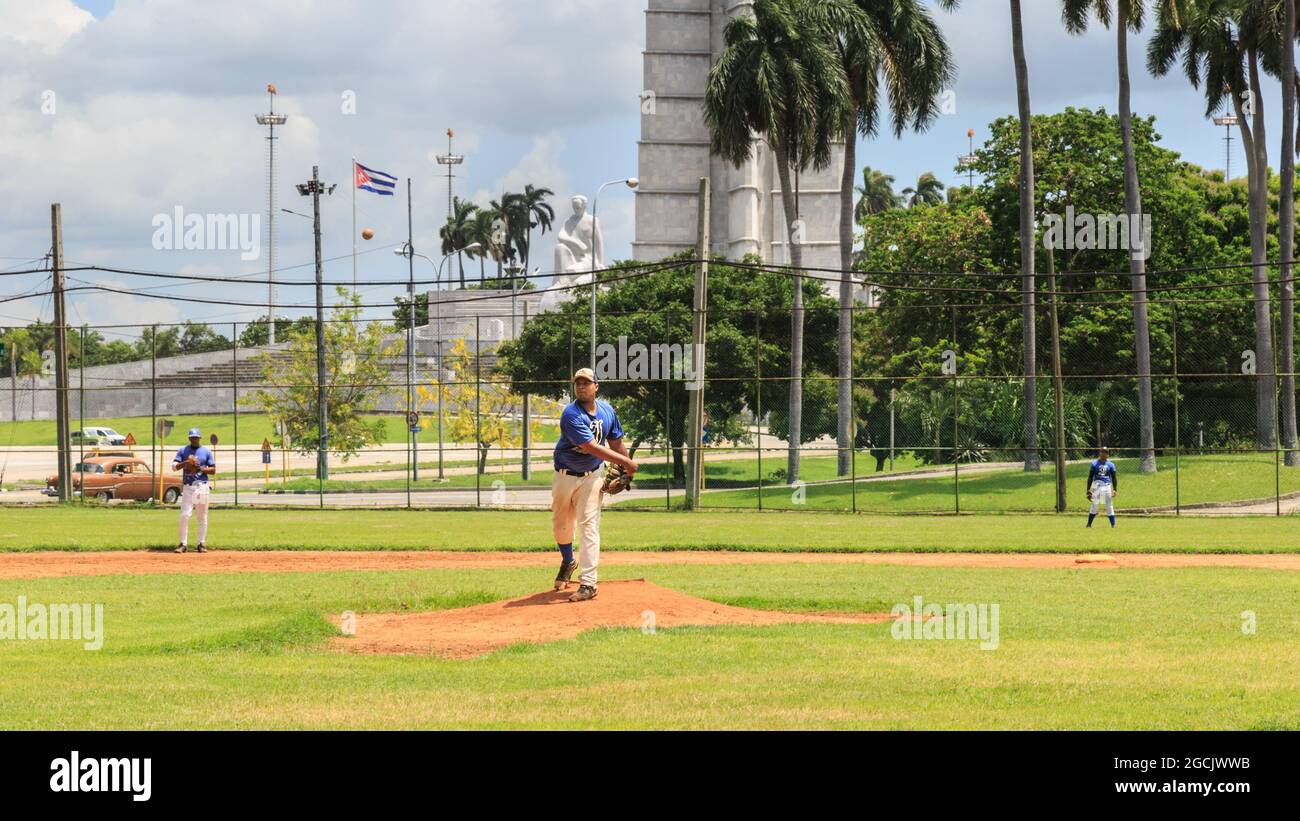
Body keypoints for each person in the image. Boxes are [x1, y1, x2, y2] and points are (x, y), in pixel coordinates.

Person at [551, 368, 637, 602]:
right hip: (564, 475)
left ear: (596, 386)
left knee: (589, 526)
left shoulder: (607, 411)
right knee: (561, 526)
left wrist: (626, 470)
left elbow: (616, 442)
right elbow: (591, 446)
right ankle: (568, 560)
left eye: (586, 383)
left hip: (592, 475)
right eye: (578, 383)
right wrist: (627, 462)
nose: (581, 387)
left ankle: (588, 583)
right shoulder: (571, 413)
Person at [173, 427, 215, 553]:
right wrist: (185, 463)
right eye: (192, 437)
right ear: (189, 438)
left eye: (196, 437)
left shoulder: (206, 451)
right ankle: (183, 544)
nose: (194, 439)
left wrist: (200, 468)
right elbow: (174, 467)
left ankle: (201, 543)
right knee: (184, 515)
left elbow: (213, 470)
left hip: (202, 487)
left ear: (200, 438)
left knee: (202, 517)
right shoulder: (183, 450)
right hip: (188, 487)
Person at [1086, 446, 1117, 528]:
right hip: (1097, 486)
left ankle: (1113, 525)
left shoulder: (1111, 465)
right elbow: (1090, 477)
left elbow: (1114, 478)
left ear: (1108, 454)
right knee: (1094, 505)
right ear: (1100, 453)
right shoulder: (1094, 464)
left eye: (1105, 452)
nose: (1104, 453)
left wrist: (1115, 489)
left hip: (1107, 486)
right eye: (1102, 451)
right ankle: (1089, 524)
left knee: (1109, 505)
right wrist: (1088, 490)